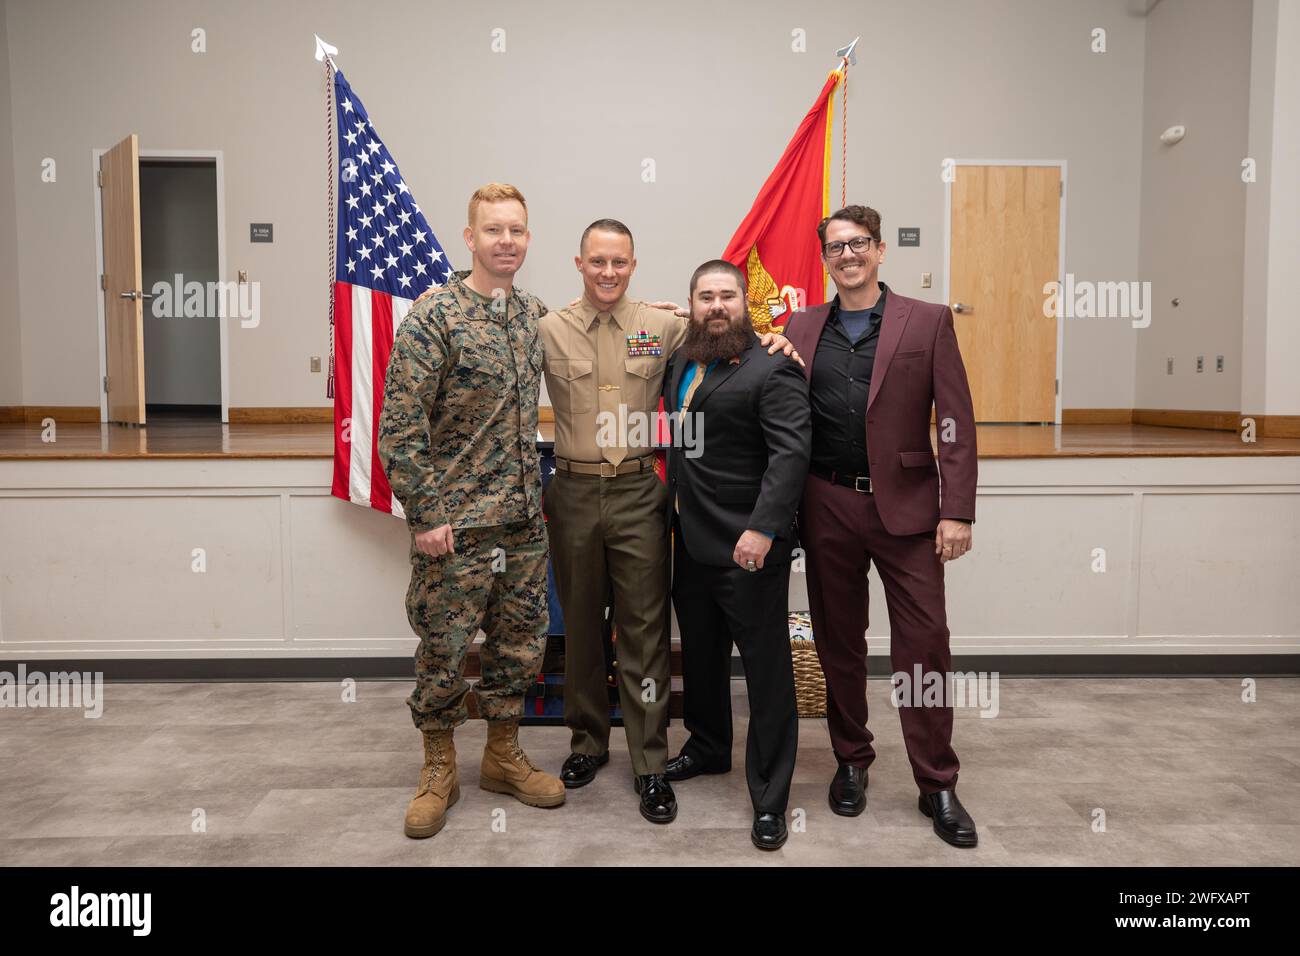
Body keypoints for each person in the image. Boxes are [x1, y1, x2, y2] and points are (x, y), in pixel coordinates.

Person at [542, 220, 799, 825]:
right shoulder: (545, 328)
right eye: (597, 261)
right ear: (578, 263)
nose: (608, 272)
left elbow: (732, 335)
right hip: (573, 491)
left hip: (638, 493)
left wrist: (778, 340)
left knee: (645, 632)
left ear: (634, 265)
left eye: (620, 262)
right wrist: (437, 292)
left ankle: (650, 761)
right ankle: (586, 742)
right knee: (580, 626)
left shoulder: (664, 327)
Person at [782, 204, 979, 847]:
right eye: (835, 247)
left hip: (908, 509)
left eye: (858, 243)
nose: (847, 255)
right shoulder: (802, 325)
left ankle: (937, 782)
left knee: (924, 643)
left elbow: (955, 422)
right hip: (826, 504)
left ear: (880, 250)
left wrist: (957, 509)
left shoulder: (928, 321)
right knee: (839, 640)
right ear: (825, 257)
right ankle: (851, 761)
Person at [379, 183, 565, 840]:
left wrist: (654, 311)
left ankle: (502, 756)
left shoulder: (533, 315)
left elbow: (601, 328)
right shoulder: (433, 319)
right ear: (470, 239)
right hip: (453, 526)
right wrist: (426, 515)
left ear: (527, 238)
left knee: (518, 645)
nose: (506, 241)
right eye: (493, 230)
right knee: (444, 646)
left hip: (520, 520)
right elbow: (398, 428)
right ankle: (438, 768)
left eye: (516, 230)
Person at [661, 259, 811, 850]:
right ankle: (708, 746)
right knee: (700, 653)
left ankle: (771, 796)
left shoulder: (773, 366)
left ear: (746, 304)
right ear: (691, 305)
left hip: (750, 545)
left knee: (767, 670)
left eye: (727, 296)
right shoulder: (682, 358)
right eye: (705, 297)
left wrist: (764, 530)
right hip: (691, 541)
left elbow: (790, 456)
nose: (716, 306)